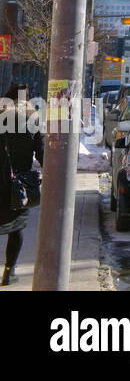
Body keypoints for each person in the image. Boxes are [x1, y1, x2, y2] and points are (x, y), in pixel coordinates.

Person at [0, 85, 43, 287]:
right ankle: (9, 271)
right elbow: (42, 152)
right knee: (16, 228)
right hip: (19, 184)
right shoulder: (31, 117)